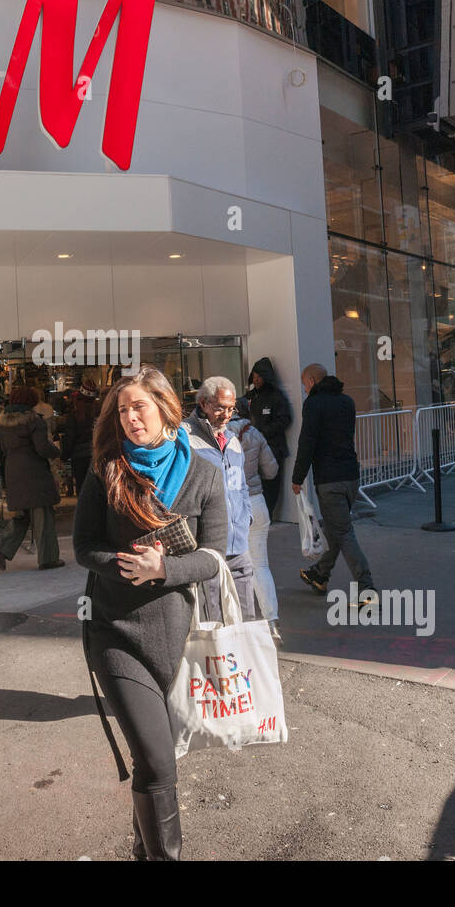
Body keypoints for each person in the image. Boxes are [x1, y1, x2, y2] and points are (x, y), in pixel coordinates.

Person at [73, 365, 228, 860]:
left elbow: (214, 557)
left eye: (138, 406)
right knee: (160, 761)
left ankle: (144, 851)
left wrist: (165, 570)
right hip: (116, 634)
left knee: (149, 763)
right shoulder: (106, 468)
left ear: (165, 408)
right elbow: (84, 547)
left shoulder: (205, 474)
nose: (130, 418)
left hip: (178, 637)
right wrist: (129, 567)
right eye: (122, 410)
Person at [291, 364, 374, 605]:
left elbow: (308, 442)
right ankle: (320, 574)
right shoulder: (347, 401)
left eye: (305, 383)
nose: (304, 388)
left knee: (343, 532)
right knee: (337, 530)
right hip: (350, 475)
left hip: (329, 479)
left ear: (313, 381)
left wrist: (298, 478)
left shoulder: (314, 404)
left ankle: (367, 587)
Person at [183, 377, 258, 620]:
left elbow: (241, 485)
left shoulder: (233, 440)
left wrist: (246, 516)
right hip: (207, 545)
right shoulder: (184, 438)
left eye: (231, 408)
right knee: (214, 618)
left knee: (245, 616)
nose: (226, 414)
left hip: (239, 545)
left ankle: (244, 657)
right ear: (203, 403)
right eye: (220, 407)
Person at [0, 386, 64, 570]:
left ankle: (0, 548)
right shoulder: (33, 421)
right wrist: (58, 451)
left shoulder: (3, 423)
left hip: (13, 470)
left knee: (22, 515)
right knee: (43, 515)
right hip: (34, 472)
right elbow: (42, 448)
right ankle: (48, 558)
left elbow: (3, 449)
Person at [232, 412, 281, 643]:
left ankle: (241, 623)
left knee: (232, 567)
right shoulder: (255, 434)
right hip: (257, 502)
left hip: (232, 507)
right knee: (261, 565)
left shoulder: (214, 436)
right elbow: (271, 471)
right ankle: (271, 621)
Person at [244, 357, 292, 519]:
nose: (256, 380)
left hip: (273, 448)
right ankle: (257, 517)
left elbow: (285, 419)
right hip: (252, 450)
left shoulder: (276, 397)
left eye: (260, 376)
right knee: (254, 484)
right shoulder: (249, 397)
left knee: (271, 483)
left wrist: (262, 432)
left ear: (267, 376)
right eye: (254, 376)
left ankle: (267, 516)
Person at [64, 377, 101, 495]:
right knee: (97, 489)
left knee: (82, 489)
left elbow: (70, 437)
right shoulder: (99, 411)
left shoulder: (75, 414)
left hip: (79, 456)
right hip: (97, 454)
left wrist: (64, 455)